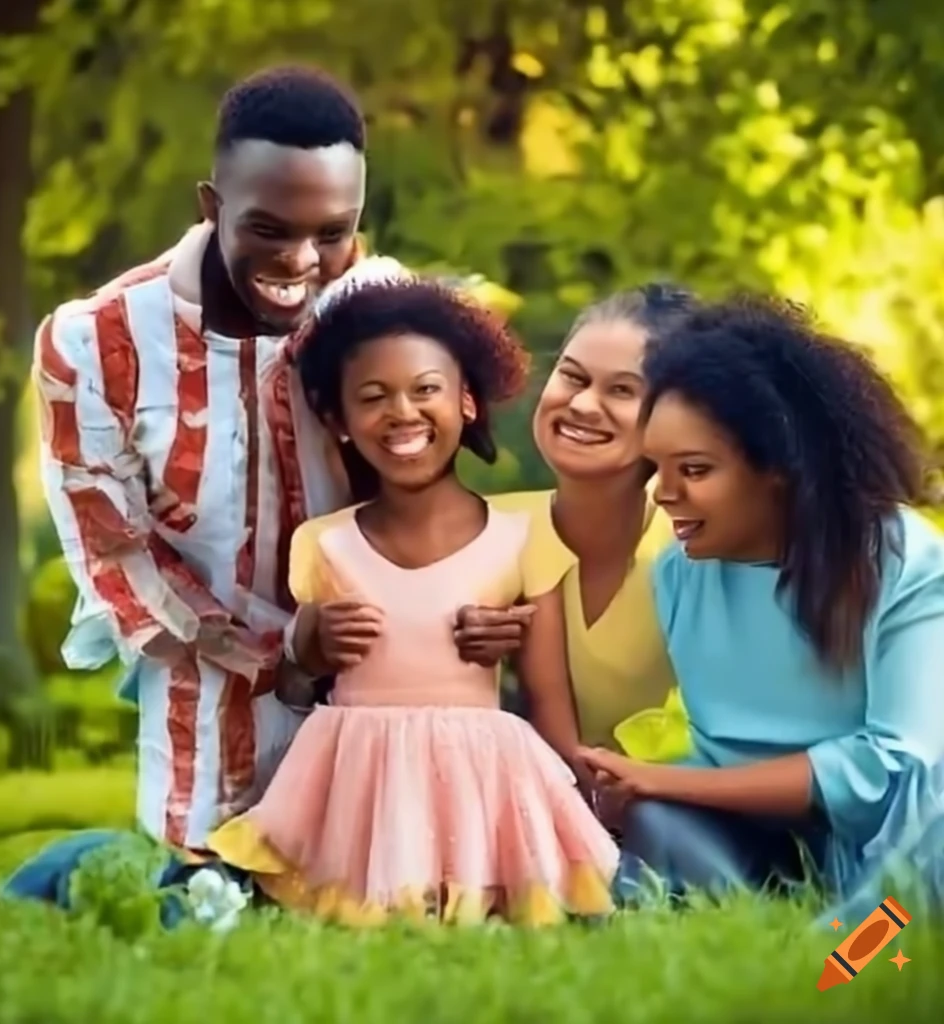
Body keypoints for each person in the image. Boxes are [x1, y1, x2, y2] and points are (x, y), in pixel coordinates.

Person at [6, 67, 527, 914]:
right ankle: (77, 868)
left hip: (379, 677)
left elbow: (437, 487)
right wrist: (283, 654)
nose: (301, 262)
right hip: (211, 689)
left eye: (333, 232)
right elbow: (116, 553)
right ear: (212, 206)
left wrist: (485, 605)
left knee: (389, 893)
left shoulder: (381, 314)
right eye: (270, 230)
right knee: (218, 890)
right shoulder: (95, 342)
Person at [207, 273, 620, 926]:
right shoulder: (325, 545)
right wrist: (311, 646)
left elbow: (547, 697)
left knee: (480, 916)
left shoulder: (524, 539)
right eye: (374, 397)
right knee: (366, 914)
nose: (402, 412)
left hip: (481, 780)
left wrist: (584, 803)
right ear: (339, 421)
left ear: (467, 403)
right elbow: (290, 684)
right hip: (361, 784)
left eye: (426, 389)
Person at [577, 294, 944, 911]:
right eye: (655, 468)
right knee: (654, 820)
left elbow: (894, 769)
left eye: (693, 469)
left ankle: (853, 950)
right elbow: (724, 758)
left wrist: (665, 778)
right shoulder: (680, 574)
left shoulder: (902, 558)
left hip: (900, 835)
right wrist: (639, 789)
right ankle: (747, 920)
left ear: (779, 466)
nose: (664, 494)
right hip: (756, 838)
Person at [492, 284, 694, 774]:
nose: (582, 405)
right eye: (572, 377)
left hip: (680, 818)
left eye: (622, 390)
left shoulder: (698, 548)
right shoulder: (481, 532)